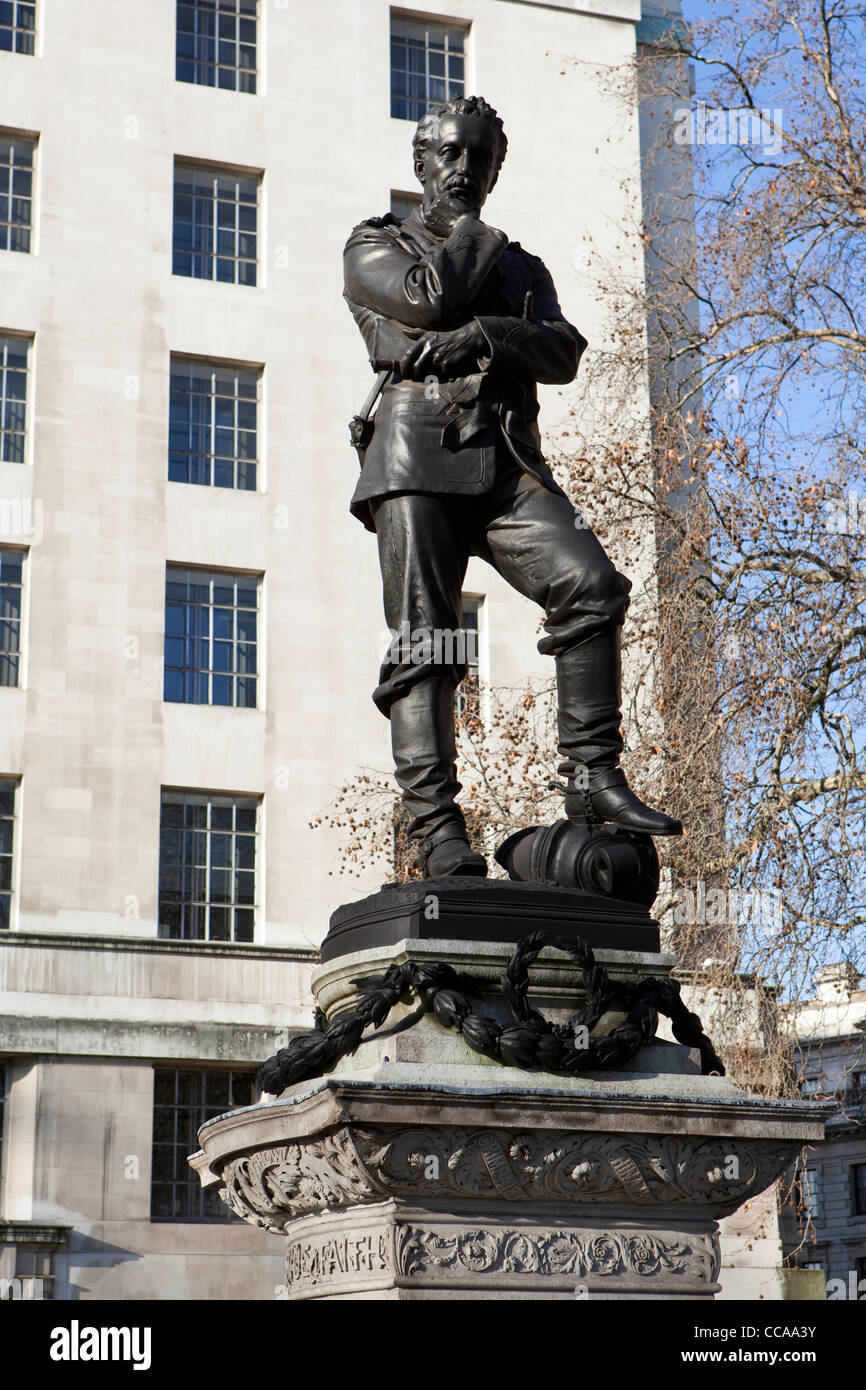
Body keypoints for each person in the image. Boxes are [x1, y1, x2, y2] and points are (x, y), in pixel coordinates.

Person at [343, 95, 681, 879]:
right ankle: (436, 831)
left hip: (507, 466)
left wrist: (491, 334)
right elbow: (426, 300)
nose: (464, 170)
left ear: (495, 169)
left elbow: (563, 352)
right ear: (421, 163)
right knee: (430, 642)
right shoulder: (374, 243)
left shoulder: (522, 267)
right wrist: (472, 245)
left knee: (593, 585)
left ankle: (593, 781)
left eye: (479, 159)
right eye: (450, 155)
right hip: (415, 459)